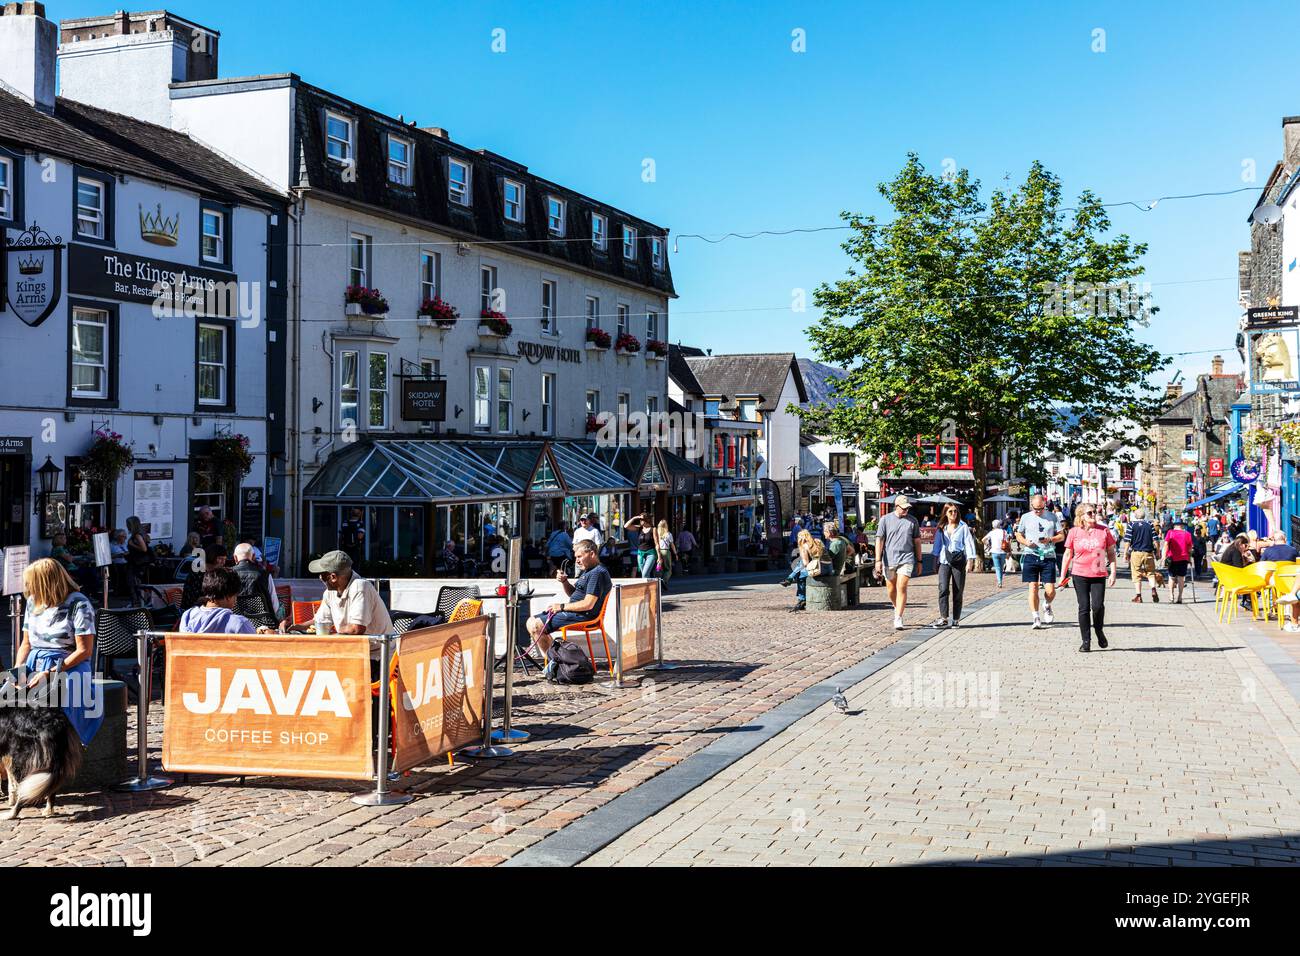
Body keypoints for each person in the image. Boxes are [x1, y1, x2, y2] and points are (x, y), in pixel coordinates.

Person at [15, 558, 104, 746]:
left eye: (32, 582)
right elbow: (26, 643)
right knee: (6, 695)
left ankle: (66, 746)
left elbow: (84, 651)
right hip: (35, 661)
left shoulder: (79, 604)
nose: (28, 587)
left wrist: (49, 673)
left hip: (68, 665)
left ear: (45, 582)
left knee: (62, 696)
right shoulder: (33, 602)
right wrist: (17, 672)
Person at [525, 538, 612, 660]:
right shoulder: (588, 571)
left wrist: (561, 607)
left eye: (579, 557)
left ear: (592, 554)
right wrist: (565, 582)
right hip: (575, 612)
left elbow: (588, 604)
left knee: (536, 626)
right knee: (531, 621)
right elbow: (573, 594)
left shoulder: (597, 573)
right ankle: (556, 661)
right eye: (576, 557)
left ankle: (555, 663)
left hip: (584, 615)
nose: (577, 561)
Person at [1059, 504, 1117, 653]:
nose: (1093, 515)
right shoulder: (1074, 532)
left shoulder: (1103, 530)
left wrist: (1113, 572)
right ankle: (1086, 641)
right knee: (1083, 607)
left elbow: (1111, 552)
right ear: (1082, 516)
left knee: (1097, 606)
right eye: (1090, 513)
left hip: (1098, 573)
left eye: (1095, 512)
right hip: (1079, 574)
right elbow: (1067, 554)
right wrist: (1062, 576)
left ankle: (1099, 630)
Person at [1015, 494, 1064, 629]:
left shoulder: (1052, 517)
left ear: (1045, 505)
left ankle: (1047, 605)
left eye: (1040, 509)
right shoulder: (1025, 517)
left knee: (1050, 590)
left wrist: (1050, 539)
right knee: (1033, 586)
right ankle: (1035, 617)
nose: (1037, 511)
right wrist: (1025, 541)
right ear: (1031, 506)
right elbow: (1018, 534)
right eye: (1035, 508)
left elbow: (1061, 535)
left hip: (1048, 555)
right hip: (1031, 554)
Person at [875, 494, 921, 630]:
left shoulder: (913, 521)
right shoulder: (885, 520)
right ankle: (897, 606)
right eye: (903, 508)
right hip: (890, 559)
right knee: (891, 588)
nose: (906, 511)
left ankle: (898, 617)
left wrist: (919, 560)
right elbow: (880, 540)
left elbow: (917, 541)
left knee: (902, 586)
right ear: (896, 507)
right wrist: (878, 560)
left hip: (907, 558)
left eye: (907, 508)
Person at [178, 568, 260, 634]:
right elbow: (256, 650)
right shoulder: (239, 623)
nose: (235, 601)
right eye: (235, 596)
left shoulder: (187, 617)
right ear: (228, 596)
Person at [932, 503, 976, 627]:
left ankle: (956, 619)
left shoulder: (963, 526)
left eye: (955, 511)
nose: (953, 514)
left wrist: (970, 561)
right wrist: (934, 561)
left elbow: (969, 543)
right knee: (943, 589)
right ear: (945, 513)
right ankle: (943, 617)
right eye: (950, 511)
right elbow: (937, 546)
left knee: (958, 591)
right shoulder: (941, 527)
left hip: (958, 561)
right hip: (944, 561)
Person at [231, 542, 288, 624]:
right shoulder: (265, 574)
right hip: (264, 624)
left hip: (236, 623)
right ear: (254, 557)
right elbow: (275, 606)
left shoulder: (228, 574)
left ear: (235, 558)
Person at [1122, 509, 1161, 604]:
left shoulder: (1131, 525)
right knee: (1151, 573)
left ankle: (1138, 596)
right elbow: (1156, 540)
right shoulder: (1150, 524)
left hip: (1136, 552)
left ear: (1135, 516)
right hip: (1148, 552)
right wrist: (1158, 552)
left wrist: (1125, 553)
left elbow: (1127, 540)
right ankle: (1153, 589)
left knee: (1136, 575)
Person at [780, 529, 823, 612]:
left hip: (817, 569)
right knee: (800, 565)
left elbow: (806, 563)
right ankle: (790, 579)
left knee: (800, 575)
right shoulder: (817, 542)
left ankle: (801, 599)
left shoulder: (804, 546)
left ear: (801, 538)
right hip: (824, 566)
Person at [181, 544, 227, 609]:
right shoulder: (197, 572)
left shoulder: (217, 572)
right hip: (193, 610)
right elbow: (194, 599)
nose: (223, 562)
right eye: (220, 558)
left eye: (225, 559)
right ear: (212, 556)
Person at [1163, 517, 1195, 604]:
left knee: (1171, 577)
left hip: (1172, 558)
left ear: (1175, 525)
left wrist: (1164, 556)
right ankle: (1180, 597)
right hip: (1183, 558)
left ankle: (1171, 595)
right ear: (1182, 526)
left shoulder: (1170, 532)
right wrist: (1190, 557)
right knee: (1181, 578)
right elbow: (1190, 548)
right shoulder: (1187, 534)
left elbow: (1166, 544)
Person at [983, 518, 1009, 589]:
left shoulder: (992, 532)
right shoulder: (1004, 532)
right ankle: (1000, 580)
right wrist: (1009, 551)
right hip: (1003, 551)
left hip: (994, 551)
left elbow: (983, 539)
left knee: (997, 568)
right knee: (1001, 567)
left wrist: (988, 544)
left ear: (993, 526)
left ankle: (999, 582)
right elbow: (1008, 541)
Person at [655, 519, 679, 591]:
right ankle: (664, 580)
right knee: (668, 569)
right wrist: (675, 553)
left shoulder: (656, 534)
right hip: (665, 552)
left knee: (659, 568)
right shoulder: (668, 534)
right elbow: (672, 545)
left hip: (658, 551)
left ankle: (657, 581)